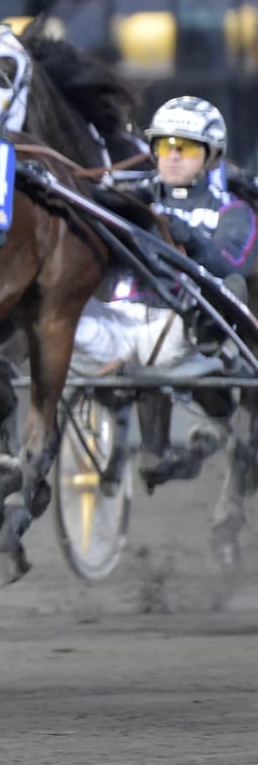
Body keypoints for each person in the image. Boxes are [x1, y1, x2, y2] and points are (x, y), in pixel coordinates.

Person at [75, 96, 256, 486]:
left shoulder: (234, 212)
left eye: (186, 148)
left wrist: (182, 232)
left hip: (182, 333)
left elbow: (229, 266)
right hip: (121, 324)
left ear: (211, 156)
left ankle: (212, 385)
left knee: (230, 291)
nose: (172, 156)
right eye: (163, 146)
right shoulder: (132, 197)